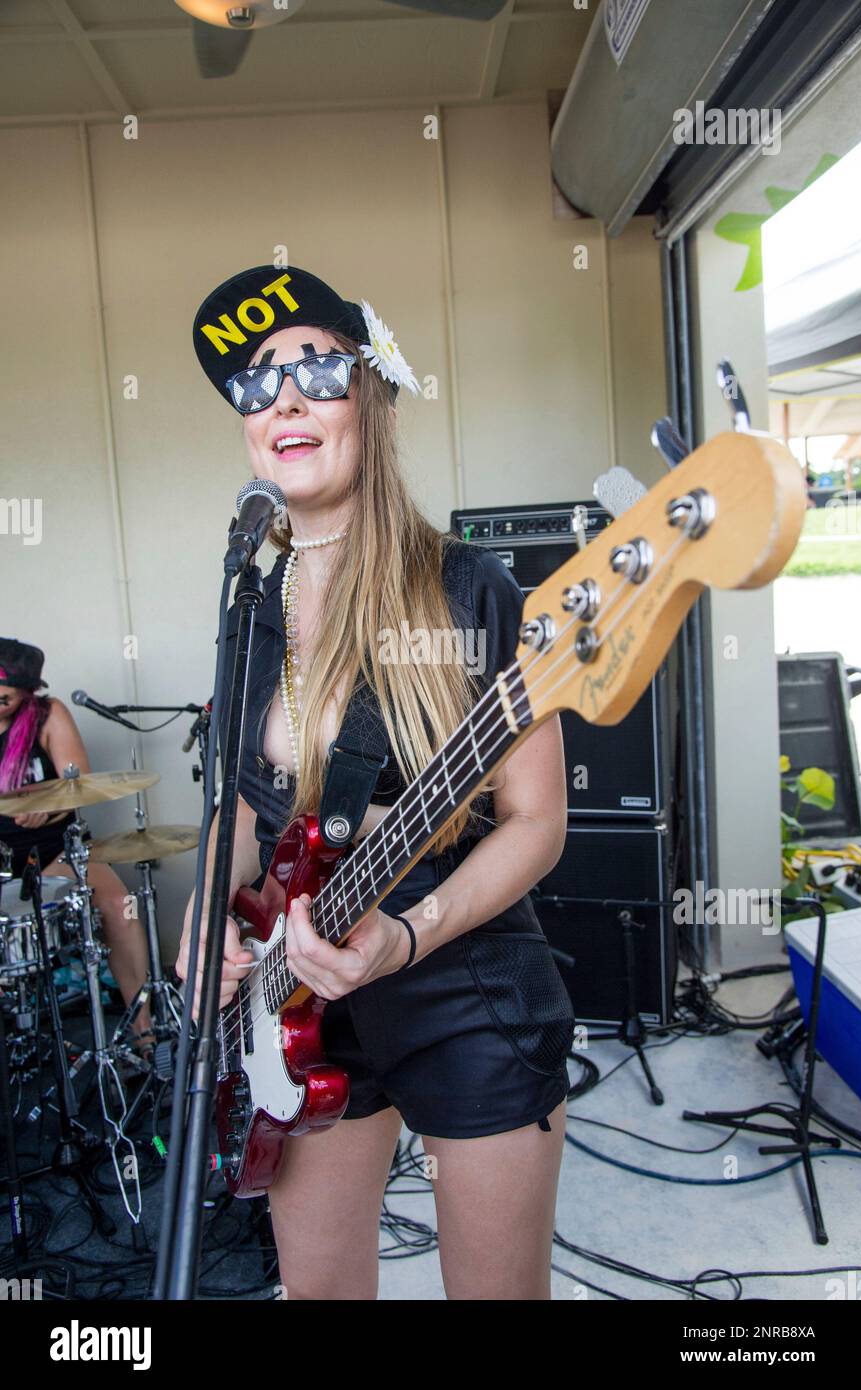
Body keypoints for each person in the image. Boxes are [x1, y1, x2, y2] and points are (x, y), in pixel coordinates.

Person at [177, 265, 575, 1300]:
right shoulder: (249, 609)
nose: (286, 396)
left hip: (463, 985)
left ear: (372, 395)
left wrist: (407, 932)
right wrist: (206, 924)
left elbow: (535, 821)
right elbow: (240, 813)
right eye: (257, 382)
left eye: (315, 364)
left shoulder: (466, 589)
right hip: (295, 1001)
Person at [0, 638, 152, 1046]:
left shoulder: (48, 716)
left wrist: (45, 810)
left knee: (123, 907)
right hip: (4, 865)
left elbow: (77, 785)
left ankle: (145, 1033)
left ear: (27, 693)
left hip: (58, 852)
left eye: (6, 698)